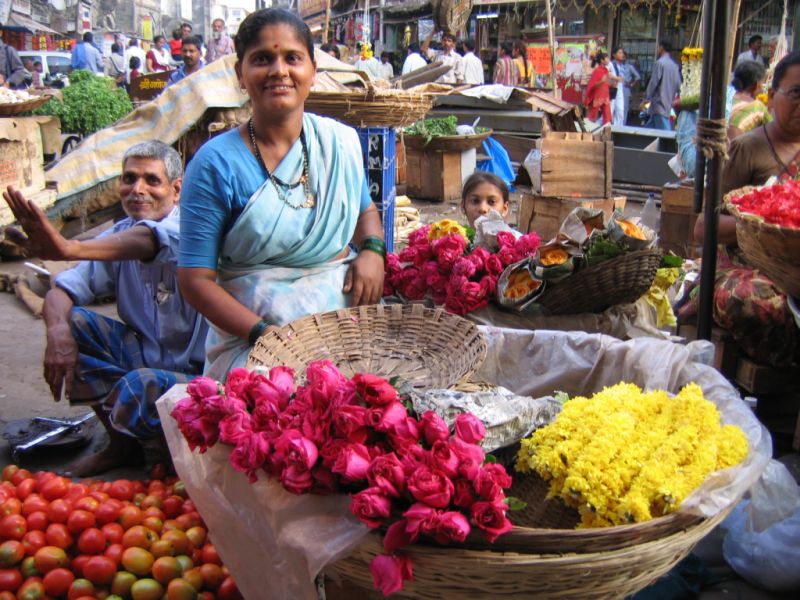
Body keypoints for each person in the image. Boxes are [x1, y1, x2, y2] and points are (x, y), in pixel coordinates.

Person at [177, 7, 385, 380]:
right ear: (241, 74)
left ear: (312, 71)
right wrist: (266, 336)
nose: (278, 70)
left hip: (346, 329)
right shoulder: (213, 165)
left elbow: (363, 210)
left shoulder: (339, 142)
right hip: (256, 343)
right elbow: (195, 280)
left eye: (292, 58)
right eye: (261, 59)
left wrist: (372, 250)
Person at [2, 141, 209, 475]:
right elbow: (60, 291)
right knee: (73, 321)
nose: (137, 189)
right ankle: (121, 447)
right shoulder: (119, 234)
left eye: (151, 181)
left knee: (138, 386)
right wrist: (57, 335)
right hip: (145, 358)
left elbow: (148, 241)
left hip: (201, 376)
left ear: (176, 190)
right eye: (129, 178)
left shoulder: (189, 230)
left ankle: (179, 459)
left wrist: (69, 247)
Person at [688, 52, 800, 369]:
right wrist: (759, 227)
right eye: (796, 93)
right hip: (748, 269)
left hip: (795, 273)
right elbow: (702, 227)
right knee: (750, 300)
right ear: (772, 95)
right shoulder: (747, 149)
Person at [643, 39, 681, 130]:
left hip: (659, 102)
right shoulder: (675, 65)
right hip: (669, 102)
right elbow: (678, 84)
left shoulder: (660, 63)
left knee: (664, 131)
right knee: (650, 128)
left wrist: (646, 98)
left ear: (661, 48)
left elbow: (653, 82)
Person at [728, 60, 770, 140]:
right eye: (762, 84)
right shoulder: (758, 107)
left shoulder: (719, 94)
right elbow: (774, 132)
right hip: (735, 150)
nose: (762, 88)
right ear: (756, 85)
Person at [585, 50, 612, 125]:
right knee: (592, 117)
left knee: (607, 117)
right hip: (598, 96)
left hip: (605, 96)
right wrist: (601, 81)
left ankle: (607, 132)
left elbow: (606, 83)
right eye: (607, 58)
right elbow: (593, 85)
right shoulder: (597, 71)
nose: (609, 60)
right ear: (602, 60)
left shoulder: (606, 70)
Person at [609, 46, 628, 125]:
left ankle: (617, 129)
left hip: (619, 89)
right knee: (610, 109)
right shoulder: (610, 64)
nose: (622, 55)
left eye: (622, 53)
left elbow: (622, 78)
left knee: (620, 110)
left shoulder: (622, 66)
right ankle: (605, 127)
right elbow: (606, 74)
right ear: (614, 55)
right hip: (612, 89)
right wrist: (616, 78)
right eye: (619, 53)